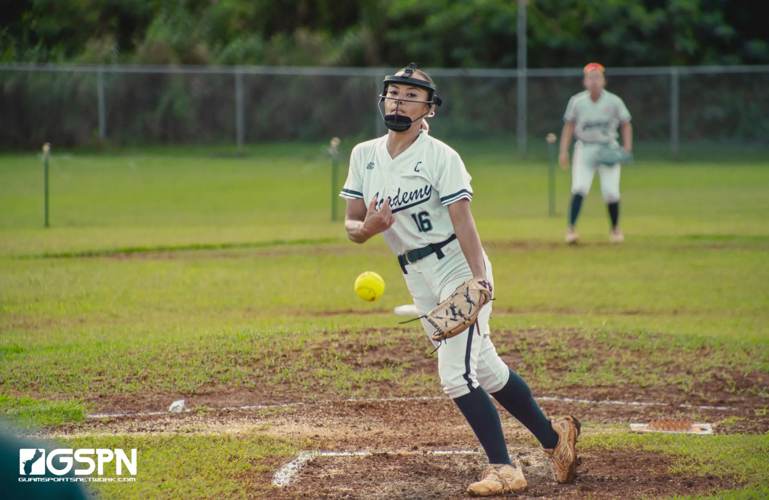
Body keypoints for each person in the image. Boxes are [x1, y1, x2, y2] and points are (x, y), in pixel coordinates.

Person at [340, 63, 581, 497]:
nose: (398, 100)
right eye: (393, 92)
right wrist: (371, 228)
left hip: (455, 265)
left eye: (410, 94)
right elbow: (352, 226)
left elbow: (463, 220)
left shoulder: (441, 157)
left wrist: (478, 278)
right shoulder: (364, 155)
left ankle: (504, 468)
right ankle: (555, 440)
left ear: (428, 108)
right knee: (486, 368)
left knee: (455, 374)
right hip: (415, 274)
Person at [559, 62, 633, 244]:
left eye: (597, 78)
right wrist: (563, 151)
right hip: (585, 147)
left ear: (604, 81)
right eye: (590, 78)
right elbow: (569, 126)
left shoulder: (613, 101)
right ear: (585, 82)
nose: (594, 82)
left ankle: (615, 230)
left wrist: (626, 148)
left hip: (607, 147)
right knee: (579, 187)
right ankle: (571, 229)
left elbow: (625, 123)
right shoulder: (577, 101)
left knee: (611, 191)